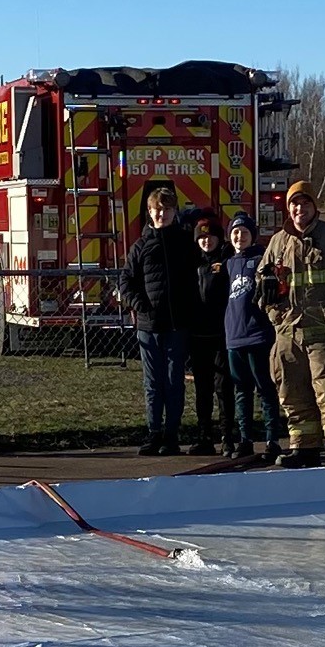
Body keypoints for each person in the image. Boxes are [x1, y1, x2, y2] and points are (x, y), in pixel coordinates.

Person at [257, 175, 325, 464]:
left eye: (304, 204)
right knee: (291, 391)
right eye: (294, 205)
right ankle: (303, 447)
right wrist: (273, 310)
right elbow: (262, 279)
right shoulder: (278, 242)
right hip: (288, 333)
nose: (299, 210)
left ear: (314, 207)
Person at [122, 179, 200, 453]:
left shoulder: (185, 243)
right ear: (149, 212)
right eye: (157, 210)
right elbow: (126, 281)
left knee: (174, 381)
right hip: (149, 326)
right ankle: (154, 433)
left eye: (167, 210)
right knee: (153, 383)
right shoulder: (141, 246)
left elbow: (198, 277)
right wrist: (139, 304)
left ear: (174, 212)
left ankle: (172, 435)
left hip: (177, 325)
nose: (161, 214)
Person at [221, 209, 283, 463]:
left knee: (265, 388)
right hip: (234, 336)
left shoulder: (260, 259)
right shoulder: (229, 263)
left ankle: (272, 439)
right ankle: (245, 439)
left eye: (244, 232)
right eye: (235, 232)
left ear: (253, 235)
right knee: (241, 390)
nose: (240, 237)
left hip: (257, 335)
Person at [184, 206, 231, 454]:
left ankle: (227, 436)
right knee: (203, 389)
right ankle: (204, 436)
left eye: (210, 236)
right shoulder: (191, 263)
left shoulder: (227, 261)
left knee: (224, 387)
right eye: (201, 237)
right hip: (198, 336)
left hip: (221, 334)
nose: (206, 240)